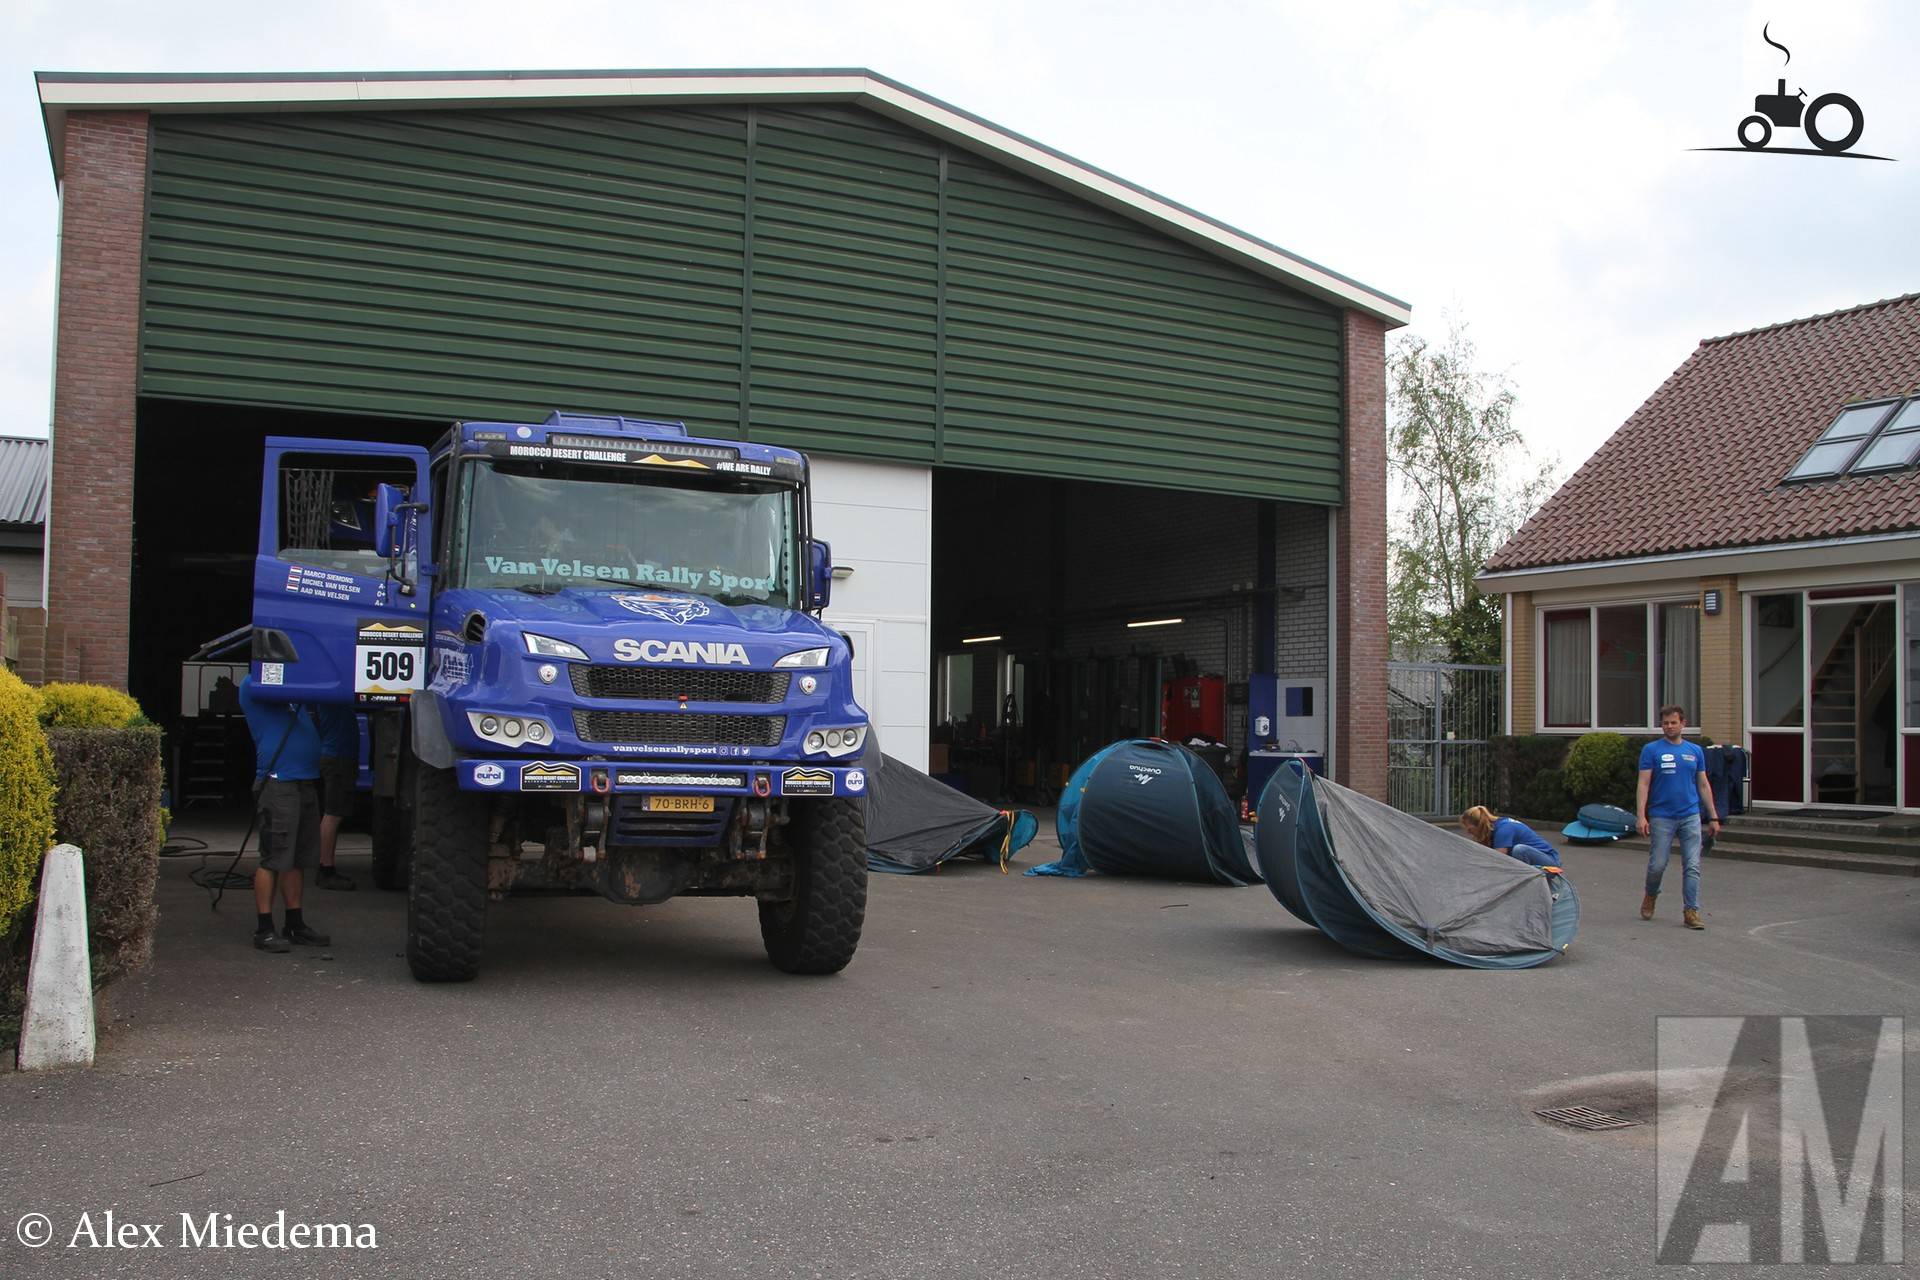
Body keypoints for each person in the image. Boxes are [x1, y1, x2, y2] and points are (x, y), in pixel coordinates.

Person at [237, 676, 332, 953]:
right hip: (279, 783)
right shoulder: (255, 683)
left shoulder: (291, 686)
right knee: (274, 857)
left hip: (304, 781)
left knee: (296, 859)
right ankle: (264, 929)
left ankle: (295, 923)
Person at [1636, 703, 1720, 930]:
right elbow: (1644, 783)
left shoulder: (1695, 751)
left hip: (1690, 815)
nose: (1669, 727)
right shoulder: (1651, 750)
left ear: (1683, 724)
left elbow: (1703, 784)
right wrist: (1641, 816)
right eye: (1665, 723)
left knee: (1692, 865)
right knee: (1658, 865)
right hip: (1662, 816)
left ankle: (1691, 911)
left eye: (1674, 722)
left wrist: (1713, 816)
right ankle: (1651, 894)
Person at [311, 703, 360, 891]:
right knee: (333, 814)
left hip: (336, 755)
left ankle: (326, 866)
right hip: (338, 756)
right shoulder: (332, 695)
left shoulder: (327, 695)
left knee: (332, 813)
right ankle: (326, 869)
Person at [1459, 805, 1561, 868]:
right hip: (1540, 859)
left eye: (1470, 829)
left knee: (1519, 850)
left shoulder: (1503, 829)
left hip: (1550, 863)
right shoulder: (1495, 827)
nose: (1469, 832)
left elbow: (1498, 860)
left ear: (1480, 825)